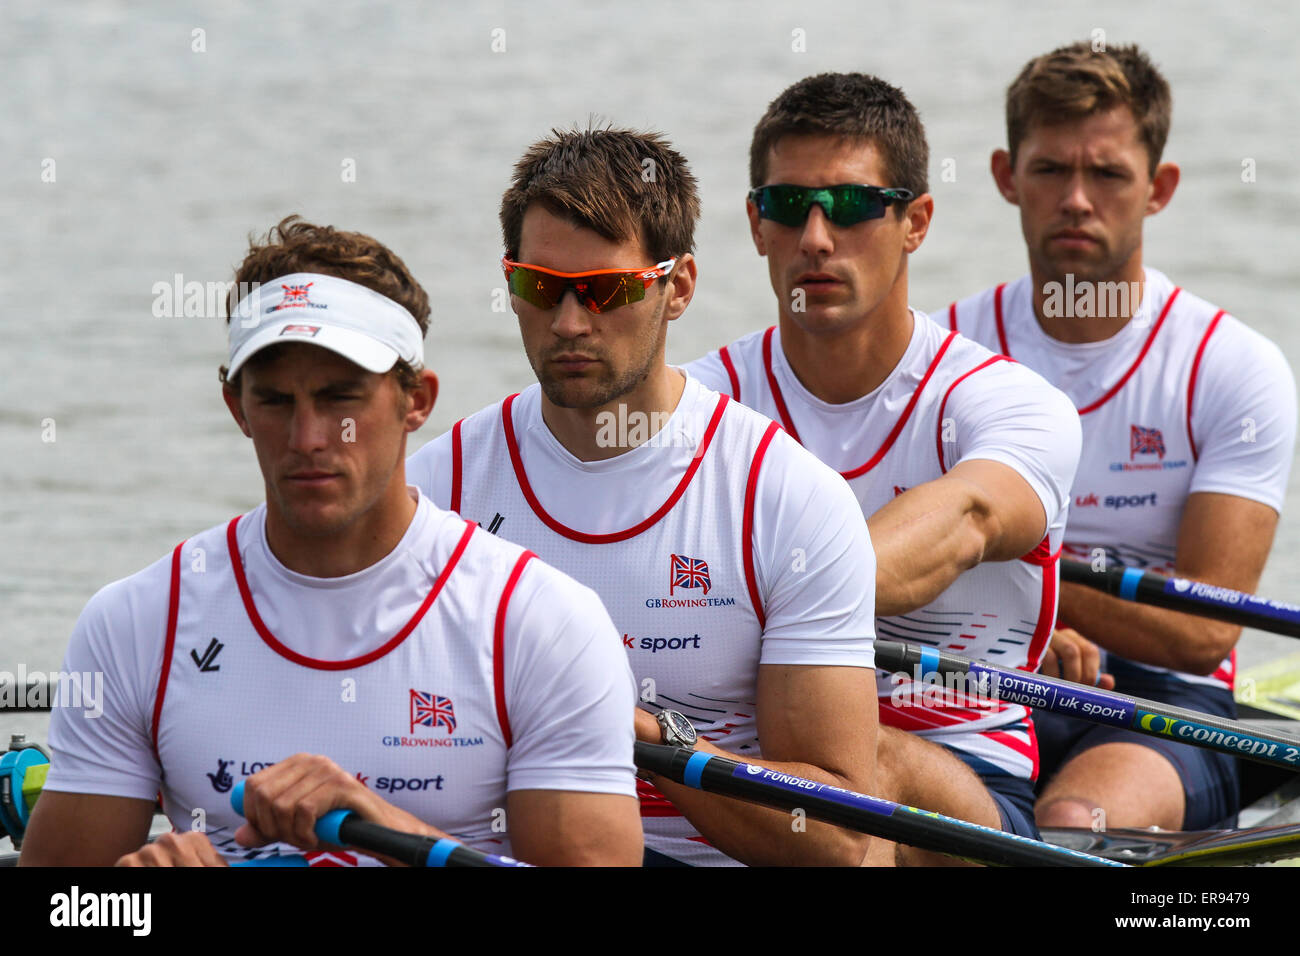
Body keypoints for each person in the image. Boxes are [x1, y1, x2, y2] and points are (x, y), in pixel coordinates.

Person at [19, 217, 642, 867]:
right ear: (236, 407)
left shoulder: (542, 623)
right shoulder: (135, 623)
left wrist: (398, 834)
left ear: (417, 401)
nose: (310, 437)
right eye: (277, 401)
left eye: (341, 397)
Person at [407, 129, 879, 867]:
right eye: (539, 286)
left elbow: (841, 844)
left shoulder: (785, 500)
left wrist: (637, 732)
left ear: (679, 286)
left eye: (604, 290)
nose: (568, 322)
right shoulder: (441, 488)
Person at [685, 73, 1081, 865]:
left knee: (871, 765)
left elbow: (969, 521)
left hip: (959, 773)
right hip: (754, 777)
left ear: (916, 222)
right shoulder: (699, 405)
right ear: (757, 224)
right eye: (790, 207)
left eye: (855, 206)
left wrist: (758, 602)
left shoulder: (1005, 404)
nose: (818, 240)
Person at [945, 41, 1297, 832]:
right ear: (1007, 177)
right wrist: (1037, 624)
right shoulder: (942, 349)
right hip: (973, 674)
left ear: (1159, 188)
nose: (1076, 199)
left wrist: (1021, 587)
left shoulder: (1231, 368)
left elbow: (1201, 633)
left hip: (1161, 697)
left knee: (1074, 818)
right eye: (1049, 171)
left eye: (1105, 174)